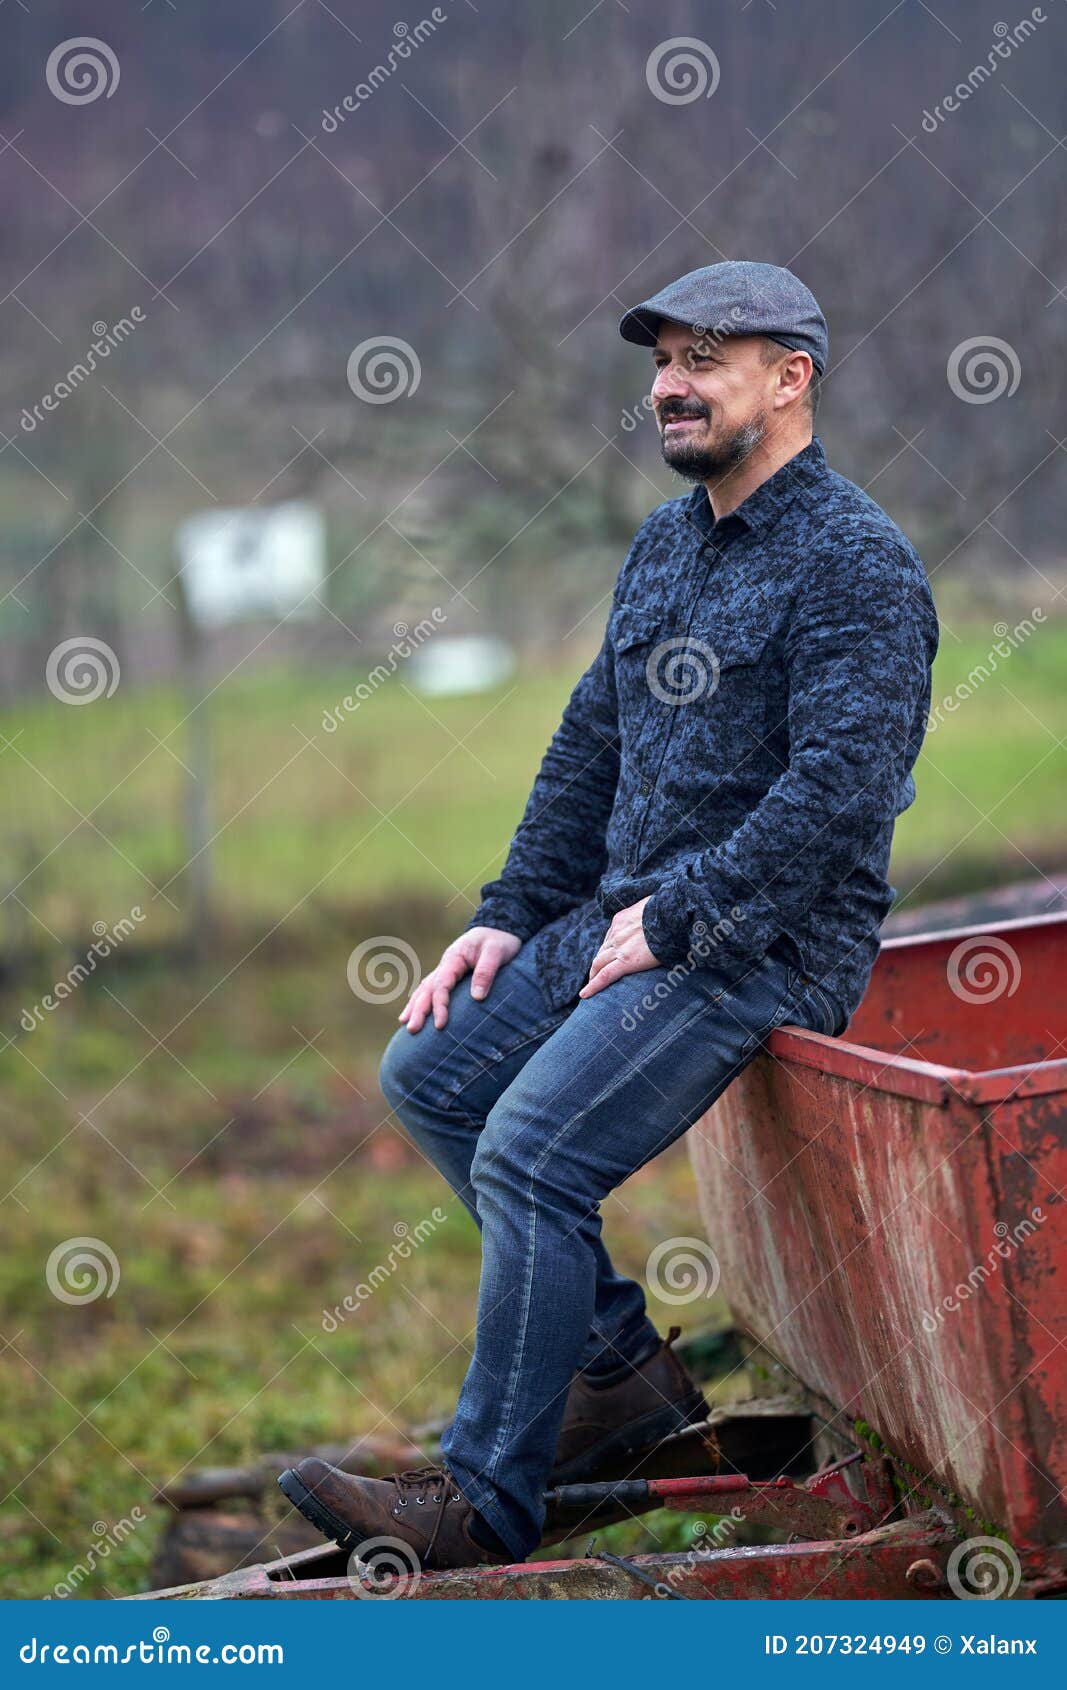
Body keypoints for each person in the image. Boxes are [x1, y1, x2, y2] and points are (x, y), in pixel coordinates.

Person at [279, 260, 939, 1572]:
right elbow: (592, 744)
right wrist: (512, 913)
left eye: (704, 360)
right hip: (626, 916)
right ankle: (621, 1371)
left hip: (761, 940)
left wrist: (688, 914)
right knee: (432, 1071)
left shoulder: (856, 563)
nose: (669, 387)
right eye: (662, 363)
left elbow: (845, 790)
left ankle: (484, 1503)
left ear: (791, 378)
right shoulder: (664, 546)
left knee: (531, 1150)